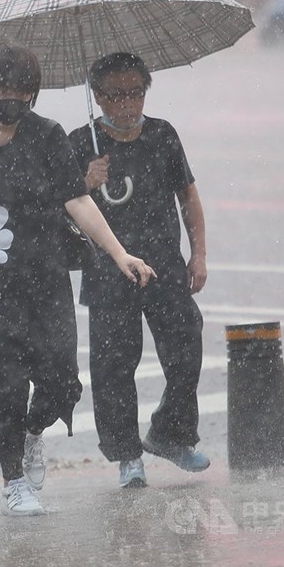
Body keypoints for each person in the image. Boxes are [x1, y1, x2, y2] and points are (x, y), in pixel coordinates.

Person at [0, 44, 155, 516]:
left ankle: (33, 431)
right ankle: (14, 479)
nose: (12, 99)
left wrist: (119, 253)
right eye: (3, 90)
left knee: (62, 383)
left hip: (44, 279)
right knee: (5, 388)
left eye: (22, 91)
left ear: (33, 94)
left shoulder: (47, 136)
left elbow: (78, 200)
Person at [68, 52, 209, 489]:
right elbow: (60, 210)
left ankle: (171, 433)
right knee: (113, 365)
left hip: (164, 265)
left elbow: (188, 196)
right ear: (98, 97)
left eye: (135, 93)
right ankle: (127, 454)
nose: (127, 104)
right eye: (115, 95)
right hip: (107, 271)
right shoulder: (80, 144)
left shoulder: (163, 135)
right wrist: (85, 182)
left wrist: (199, 255)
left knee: (186, 346)